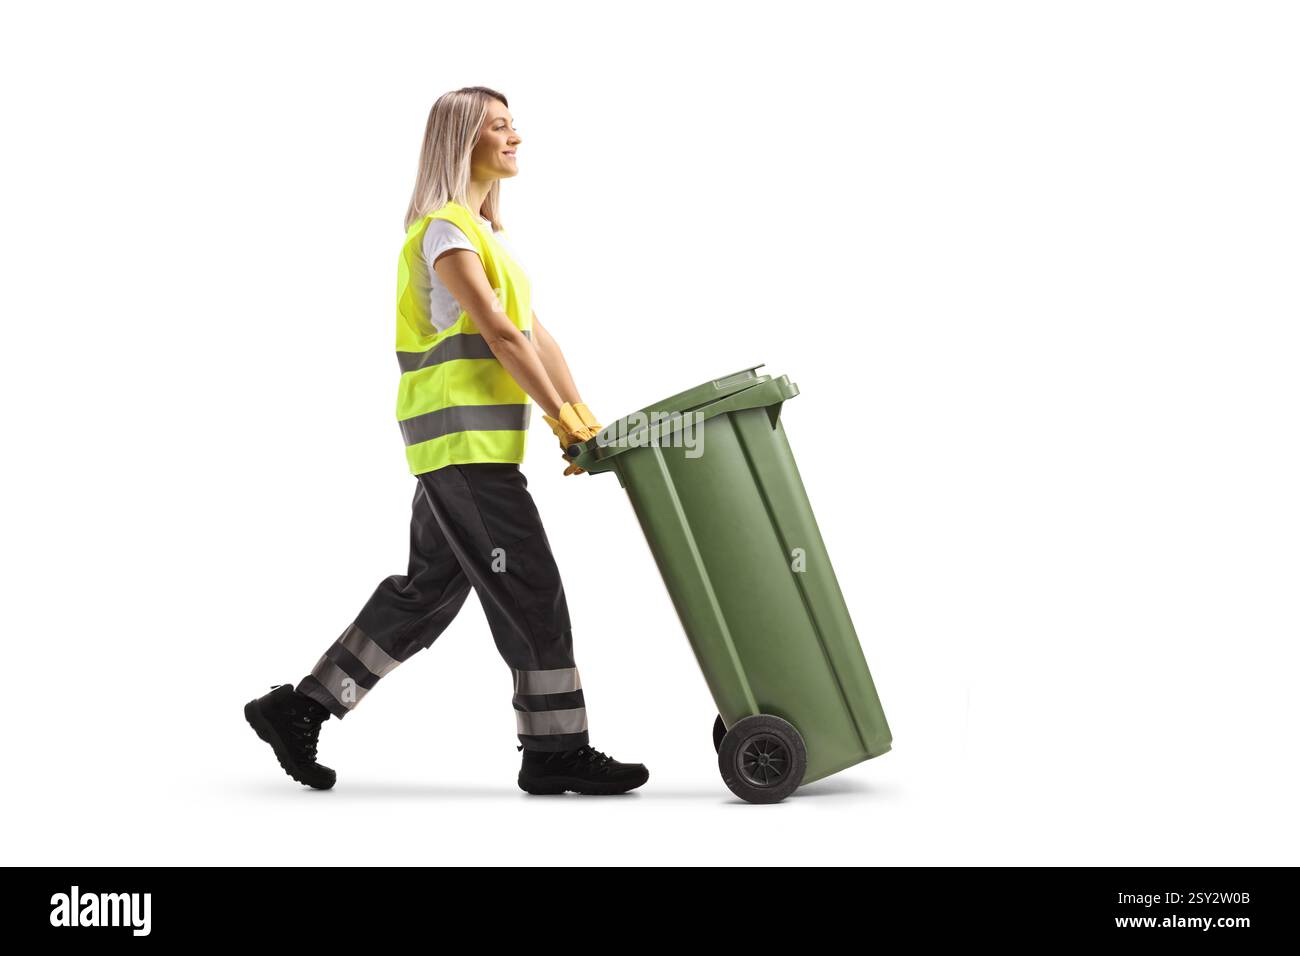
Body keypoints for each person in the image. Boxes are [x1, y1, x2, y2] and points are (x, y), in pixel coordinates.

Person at [243, 86, 648, 796]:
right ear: (463, 143)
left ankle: (299, 708)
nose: (515, 137)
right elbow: (496, 334)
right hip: (462, 449)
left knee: (425, 590)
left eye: (514, 125)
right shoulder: (444, 231)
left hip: (464, 454)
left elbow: (533, 333)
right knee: (532, 589)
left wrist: (580, 411)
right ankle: (556, 749)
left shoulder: (487, 236)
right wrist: (558, 419)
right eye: (499, 127)